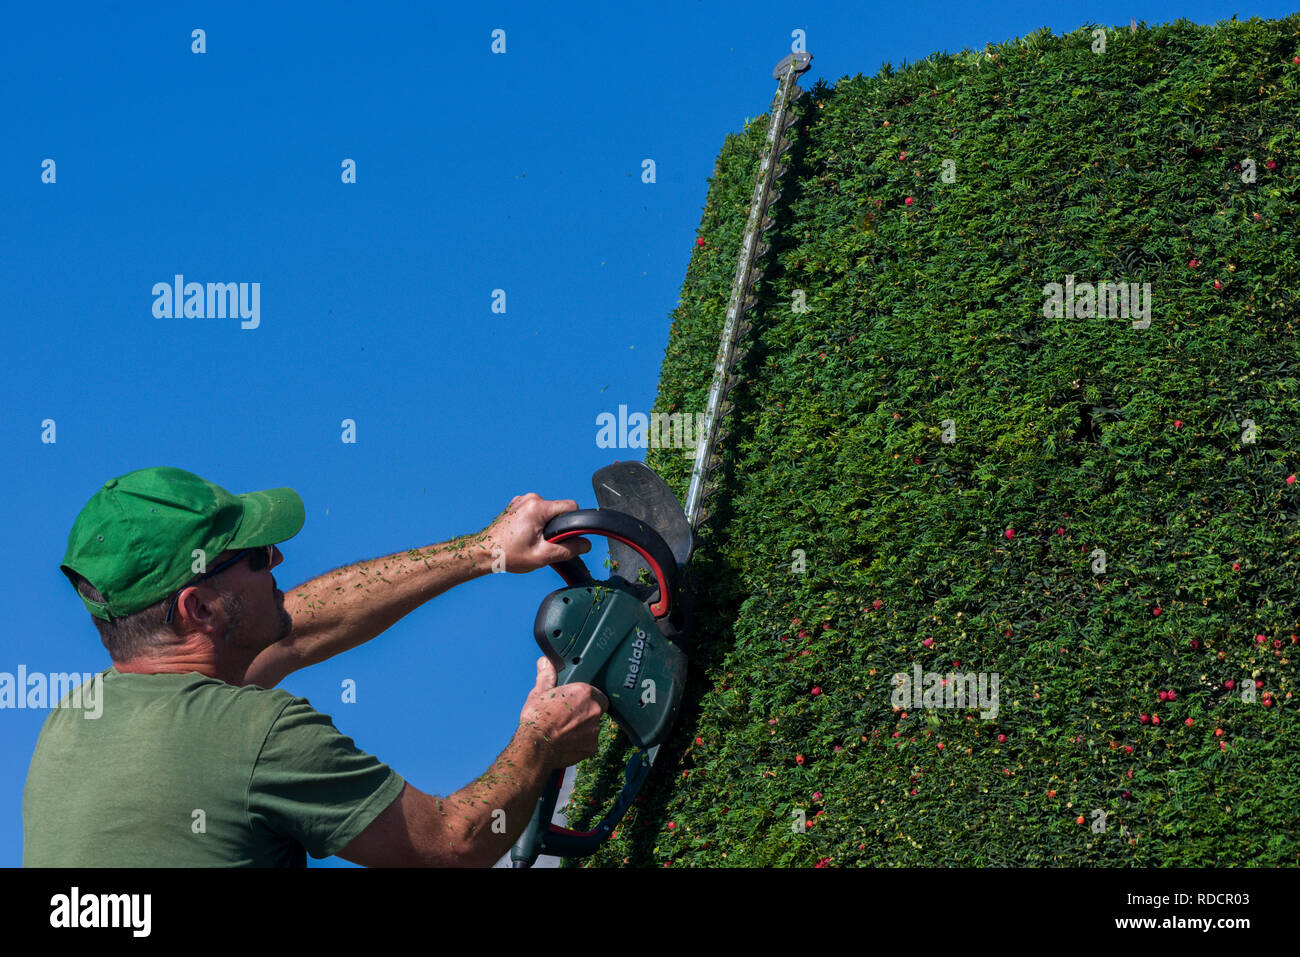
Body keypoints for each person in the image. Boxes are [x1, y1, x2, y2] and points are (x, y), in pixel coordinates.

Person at [23, 465, 608, 867]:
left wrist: (488, 549)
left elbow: (301, 627)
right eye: (253, 557)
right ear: (198, 608)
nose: (277, 557)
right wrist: (542, 739)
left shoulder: (74, 723)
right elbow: (450, 848)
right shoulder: (257, 734)